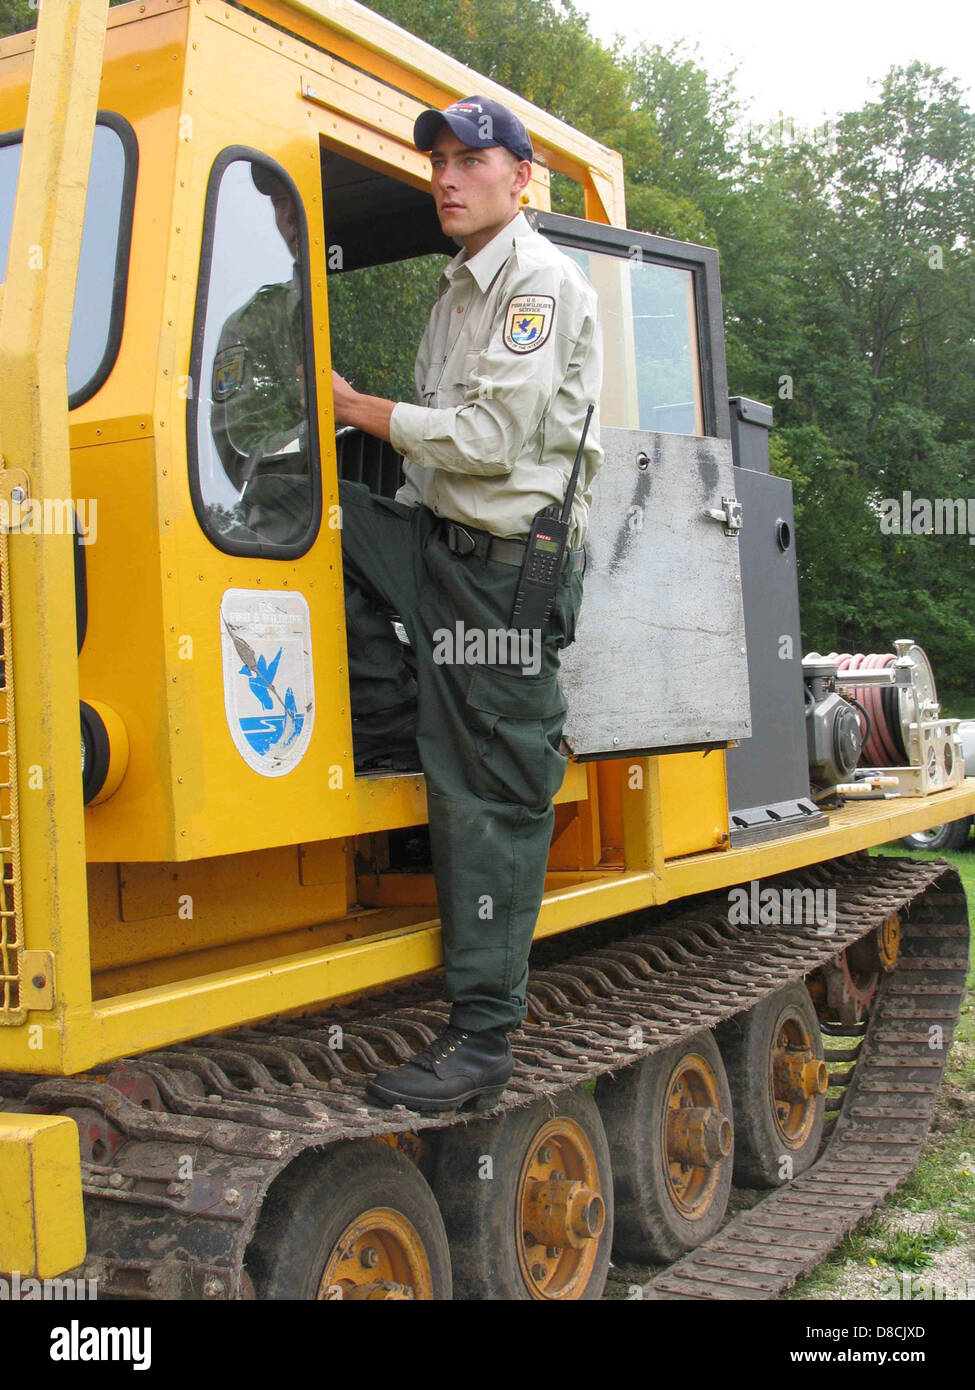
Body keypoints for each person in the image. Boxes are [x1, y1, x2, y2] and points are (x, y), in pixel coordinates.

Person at [331, 96, 603, 1112]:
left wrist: (359, 408)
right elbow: (434, 441)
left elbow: (488, 441)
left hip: (501, 568)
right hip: (434, 540)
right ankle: (405, 710)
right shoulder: (456, 293)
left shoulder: (537, 284)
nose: (446, 176)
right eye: (438, 160)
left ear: (519, 177)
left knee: (486, 792)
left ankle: (484, 1037)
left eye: (471, 159)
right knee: (313, 519)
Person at [209, 164, 311, 545]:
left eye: (295, 199)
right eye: (280, 202)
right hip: (291, 530)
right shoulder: (254, 324)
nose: (288, 214)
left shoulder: (365, 307)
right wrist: (318, 432)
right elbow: (242, 450)